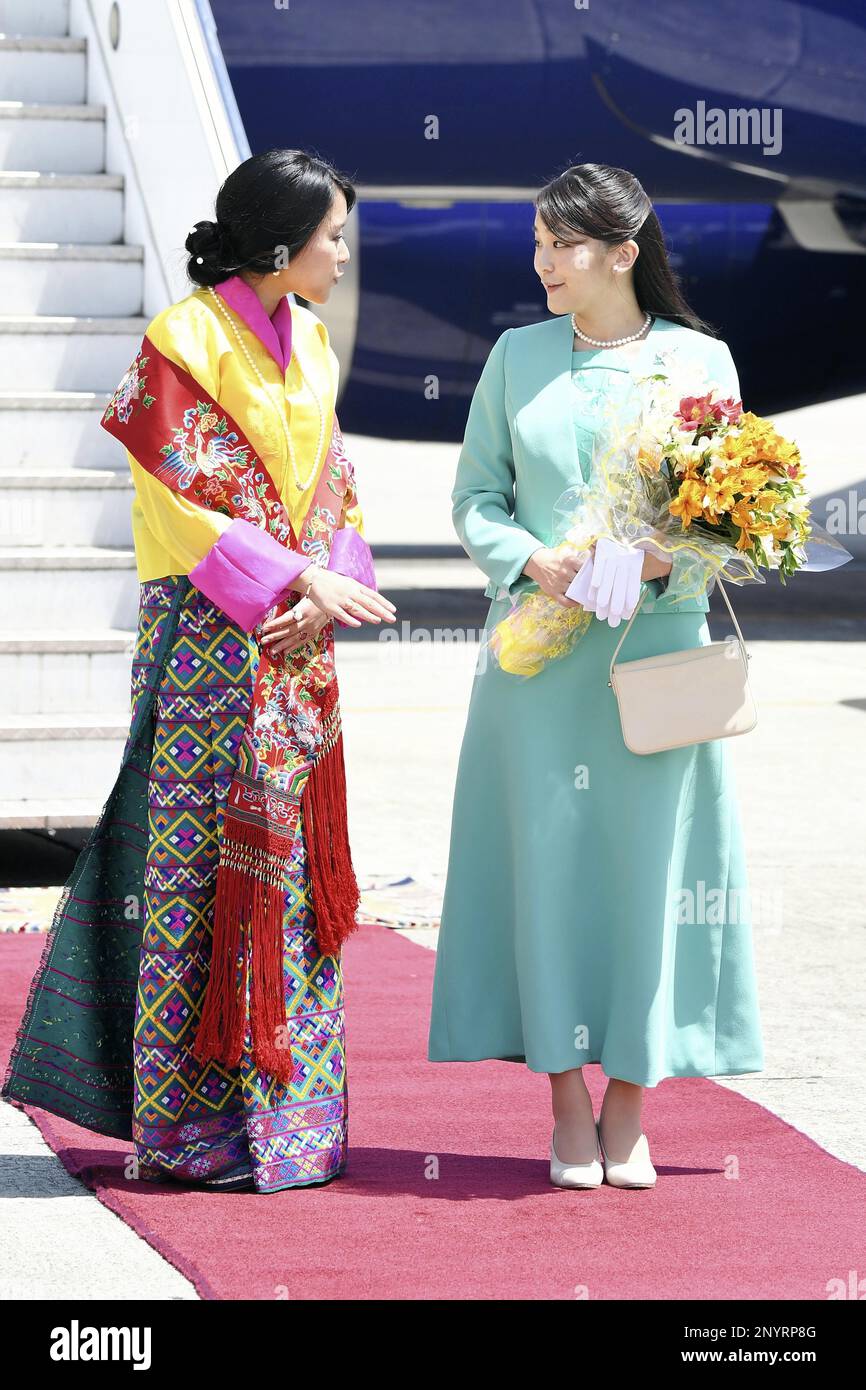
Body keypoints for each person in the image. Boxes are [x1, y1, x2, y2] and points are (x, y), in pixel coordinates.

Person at [3, 148, 396, 1194]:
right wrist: (301, 578)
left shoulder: (308, 338)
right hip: (206, 638)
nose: (346, 254)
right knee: (191, 873)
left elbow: (334, 487)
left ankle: (294, 1125)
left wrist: (329, 585)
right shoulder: (181, 339)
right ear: (280, 245)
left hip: (290, 637)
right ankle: (187, 1134)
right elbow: (181, 499)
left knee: (291, 887)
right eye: (333, 236)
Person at [427, 163, 764, 1190]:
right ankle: (564, 1101)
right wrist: (536, 560)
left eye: (560, 245)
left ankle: (630, 1101)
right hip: (534, 665)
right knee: (544, 875)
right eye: (535, 243)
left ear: (621, 252)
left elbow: (735, 518)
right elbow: (475, 496)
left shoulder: (699, 359)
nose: (540, 263)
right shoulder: (513, 356)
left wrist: (663, 561)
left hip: (654, 658)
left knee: (646, 880)